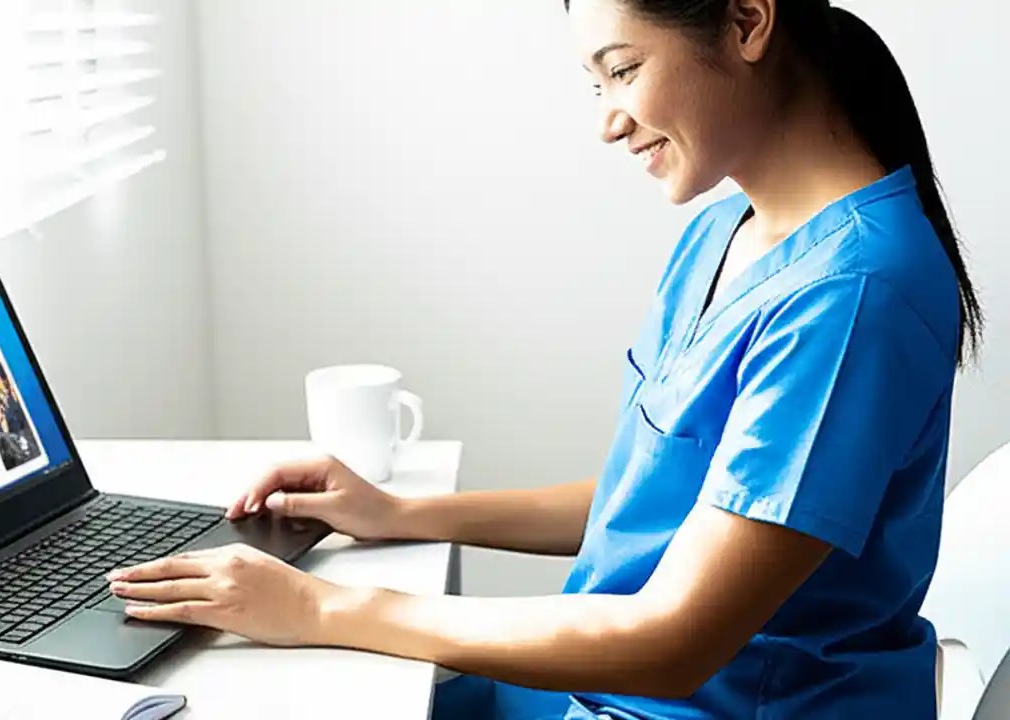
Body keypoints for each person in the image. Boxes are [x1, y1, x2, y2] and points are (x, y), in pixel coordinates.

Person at [106, 1, 982, 717]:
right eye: (595, 81)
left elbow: (676, 643)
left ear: (748, 22)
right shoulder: (727, 232)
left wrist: (322, 609)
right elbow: (668, 502)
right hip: (613, 687)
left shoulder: (854, 292)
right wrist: (400, 512)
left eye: (624, 70)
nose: (607, 121)